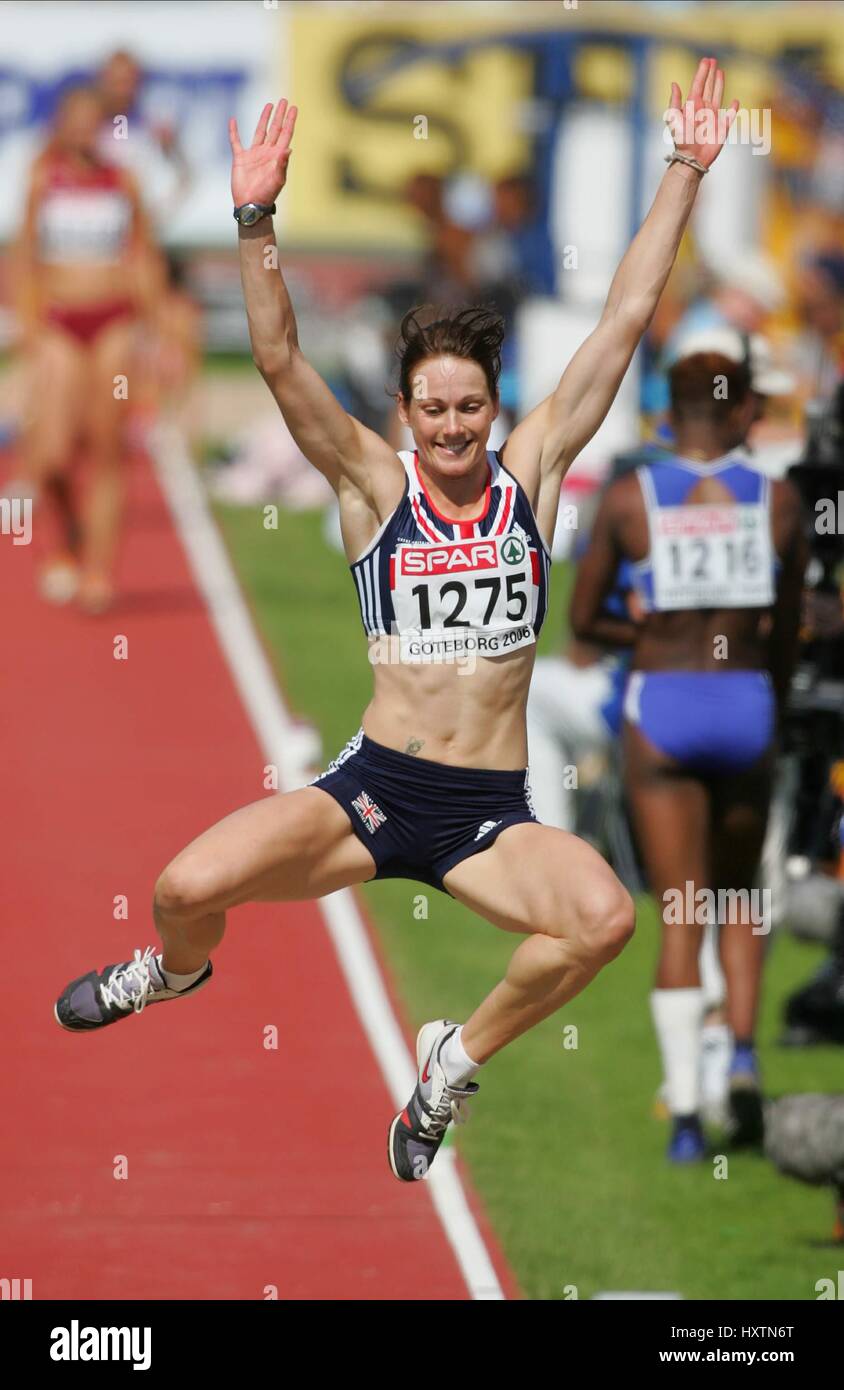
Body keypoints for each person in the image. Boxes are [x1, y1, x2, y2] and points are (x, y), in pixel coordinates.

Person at [54, 61, 739, 1182]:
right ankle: (171, 974)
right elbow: (275, 357)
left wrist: (681, 170)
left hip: (485, 816)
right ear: (407, 411)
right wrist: (254, 217)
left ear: (496, 407)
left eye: (472, 404)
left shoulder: (534, 474)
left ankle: (447, 1064)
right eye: (434, 408)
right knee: (181, 890)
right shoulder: (376, 488)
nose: (455, 425)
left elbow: (624, 316)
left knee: (603, 918)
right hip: (372, 793)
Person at [570, 345, 808, 1162]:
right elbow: (786, 633)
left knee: (680, 910)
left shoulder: (632, 500)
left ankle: (684, 1120)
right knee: (741, 898)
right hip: (745, 706)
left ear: (667, 417)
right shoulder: (779, 503)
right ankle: (740, 1054)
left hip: (664, 709)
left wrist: (646, 633)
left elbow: (581, 621)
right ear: (744, 413)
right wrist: (765, 706)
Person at [13, 84, 158, 612]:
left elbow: (143, 255)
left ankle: (99, 570)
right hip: (59, 325)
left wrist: (154, 332)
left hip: (113, 323)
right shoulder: (41, 180)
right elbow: (26, 258)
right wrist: (30, 328)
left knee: (106, 448)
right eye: (73, 119)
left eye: (92, 119)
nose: (83, 129)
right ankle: (69, 528)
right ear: (60, 123)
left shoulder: (122, 181)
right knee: (50, 453)